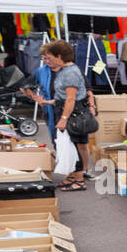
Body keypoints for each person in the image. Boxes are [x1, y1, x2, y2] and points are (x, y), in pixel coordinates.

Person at [23, 40, 93, 191]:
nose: (47, 61)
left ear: (59, 56)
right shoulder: (44, 72)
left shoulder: (71, 72)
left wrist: (64, 118)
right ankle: (71, 176)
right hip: (56, 113)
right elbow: (62, 97)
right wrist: (41, 99)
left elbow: (72, 98)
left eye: (50, 57)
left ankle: (79, 179)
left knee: (75, 146)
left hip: (72, 115)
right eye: (44, 58)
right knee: (64, 146)